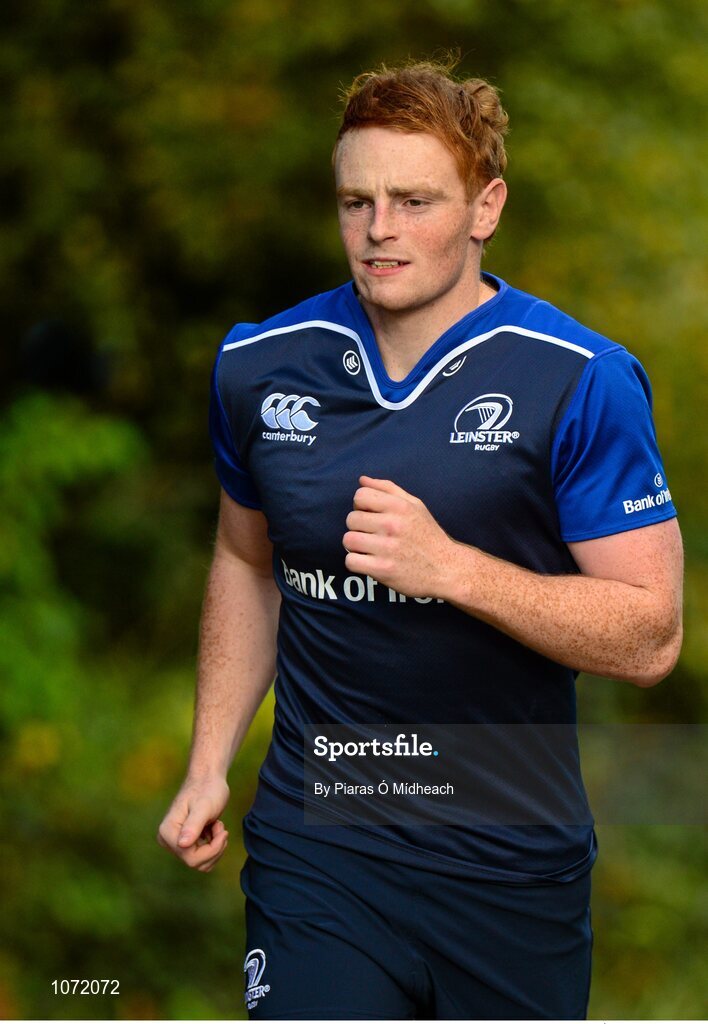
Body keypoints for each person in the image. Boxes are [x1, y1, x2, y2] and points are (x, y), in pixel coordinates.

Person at [157, 60, 683, 1020]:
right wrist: (208, 762)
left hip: (510, 866)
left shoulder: (580, 380)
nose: (379, 230)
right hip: (323, 844)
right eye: (356, 201)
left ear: (486, 207)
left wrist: (453, 570)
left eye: (413, 200)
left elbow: (651, 636)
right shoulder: (258, 365)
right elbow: (246, 562)